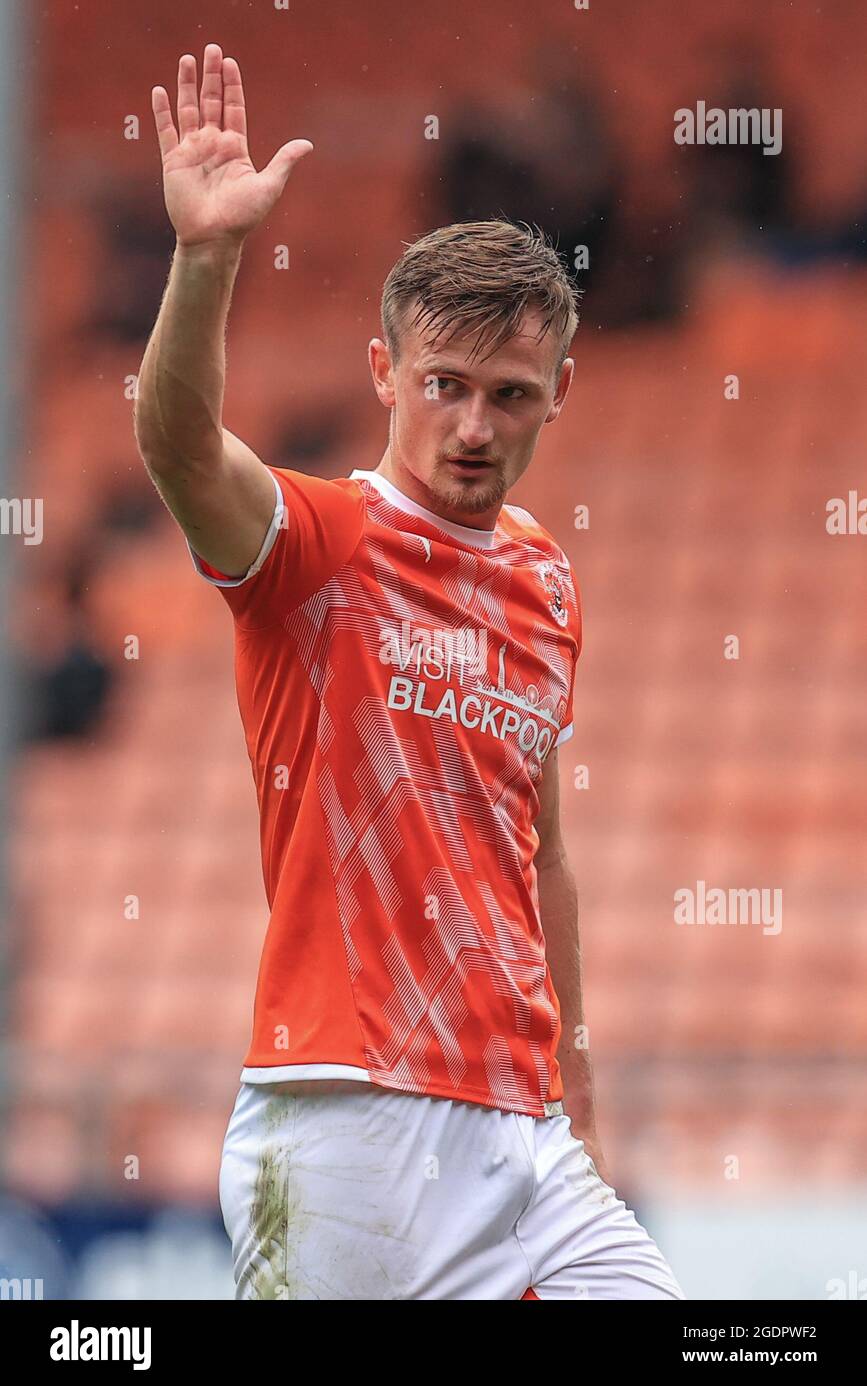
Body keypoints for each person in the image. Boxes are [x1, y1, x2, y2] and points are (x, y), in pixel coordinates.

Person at [134, 43, 685, 1302]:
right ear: (385, 374)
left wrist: (580, 1095)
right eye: (444, 386)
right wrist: (206, 256)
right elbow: (174, 445)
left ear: (558, 396)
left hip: (526, 1136)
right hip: (344, 1127)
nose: (475, 427)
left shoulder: (546, 584)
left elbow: (537, 850)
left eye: (509, 394)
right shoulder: (315, 545)